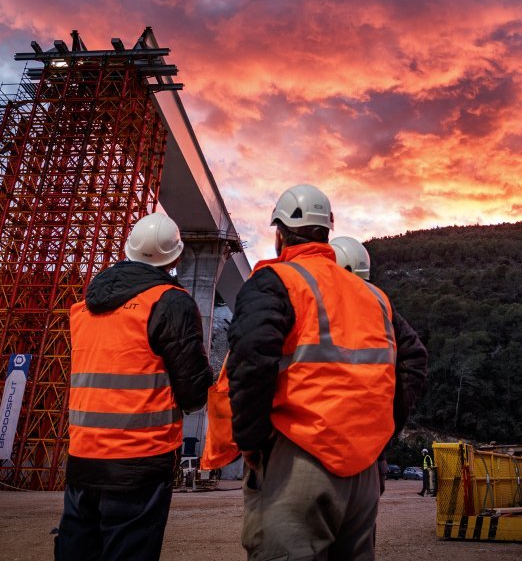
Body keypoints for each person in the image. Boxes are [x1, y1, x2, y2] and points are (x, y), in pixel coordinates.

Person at [227, 185, 428, 560]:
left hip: (300, 456)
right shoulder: (373, 296)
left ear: (279, 233)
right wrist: (383, 434)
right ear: (327, 232)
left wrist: (250, 441)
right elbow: (414, 360)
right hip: (364, 471)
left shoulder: (278, 281)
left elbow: (251, 360)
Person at [55, 212, 213, 561]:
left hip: (83, 457)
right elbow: (193, 391)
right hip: (140, 459)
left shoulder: (84, 308)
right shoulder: (170, 302)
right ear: (175, 258)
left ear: (128, 249)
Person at [330, 236, 429, 498]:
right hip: (370, 451)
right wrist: (389, 427)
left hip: (320, 446)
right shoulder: (381, 305)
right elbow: (415, 358)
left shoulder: (318, 305)